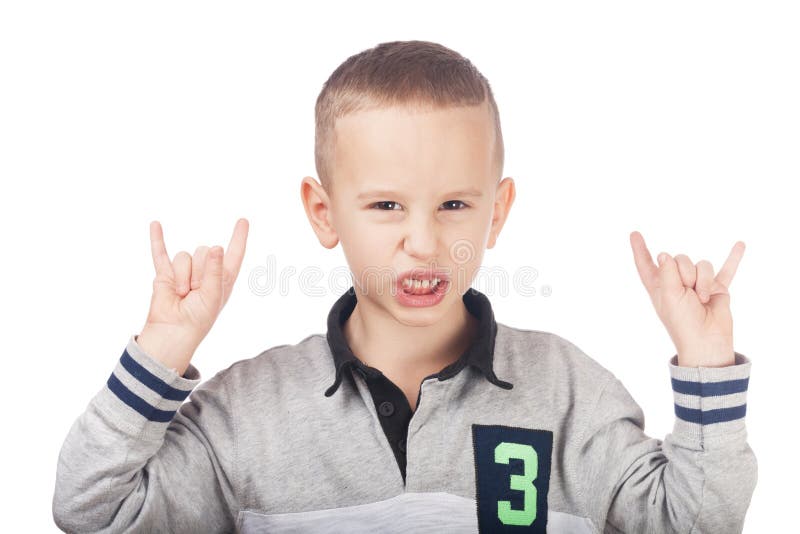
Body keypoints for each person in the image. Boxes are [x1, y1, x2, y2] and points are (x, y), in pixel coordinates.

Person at [52, 40, 756, 533]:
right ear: (323, 214)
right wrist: (163, 350)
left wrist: (706, 367)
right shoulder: (246, 414)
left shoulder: (571, 392)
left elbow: (697, 522)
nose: (423, 241)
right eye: (386, 206)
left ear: (496, 212)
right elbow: (91, 510)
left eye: (453, 204)